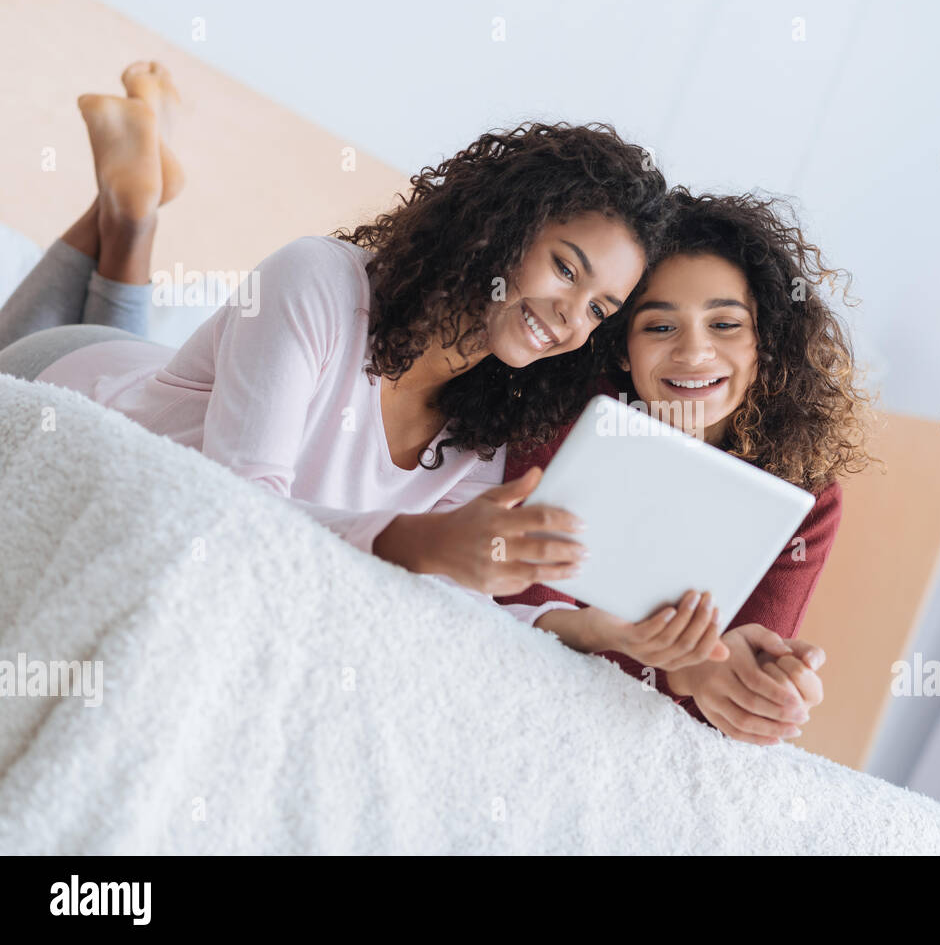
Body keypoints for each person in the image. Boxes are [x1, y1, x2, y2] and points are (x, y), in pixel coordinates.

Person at [0, 63, 729, 661]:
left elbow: (461, 608)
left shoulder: (482, 427)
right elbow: (233, 504)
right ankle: (130, 214)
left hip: (166, 393)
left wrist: (590, 630)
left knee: (176, 371)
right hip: (77, 376)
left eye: (602, 309)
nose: (574, 317)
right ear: (501, 225)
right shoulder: (313, 278)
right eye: (567, 270)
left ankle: (131, 200)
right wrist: (417, 541)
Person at [499, 189, 878, 744]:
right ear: (622, 350)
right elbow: (509, 597)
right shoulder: (568, 412)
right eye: (659, 327)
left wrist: (764, 692)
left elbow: (736, 677)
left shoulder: (807, 493)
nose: (694, 353)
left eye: (725, 325)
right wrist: (682, 668)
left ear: (764, 346)